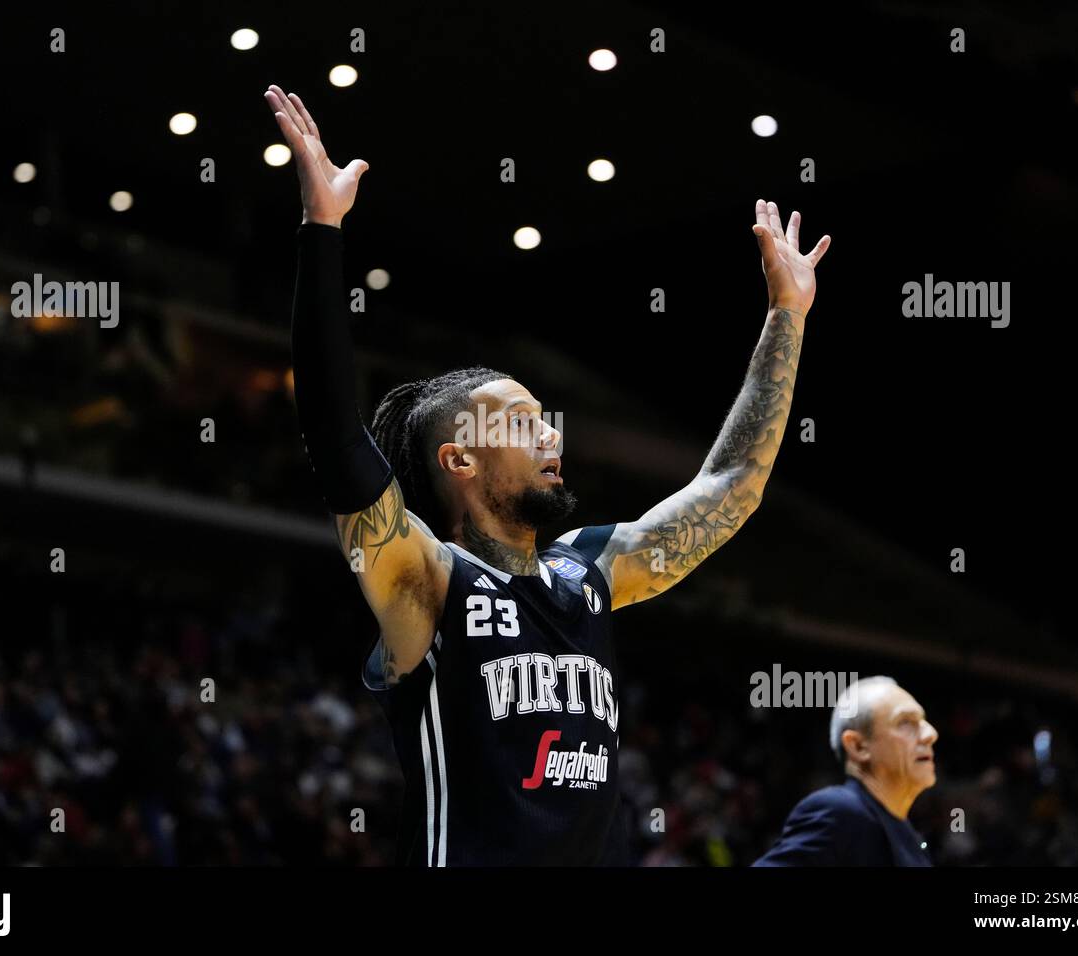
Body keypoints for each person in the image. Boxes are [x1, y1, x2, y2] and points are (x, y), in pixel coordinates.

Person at [266, 85, 831, 865]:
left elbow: (730, 485)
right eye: (522, 421)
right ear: (458, 458)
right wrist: (322, 229)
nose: (549, 434)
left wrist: (785, 319)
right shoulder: (425, 579)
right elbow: (335, 437)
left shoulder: (590, 573)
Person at [753, 676, 938, 866]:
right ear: (858, 746)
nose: (930, 734)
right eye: (905, 722)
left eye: (923, 722)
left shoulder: (910, 836)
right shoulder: (840, 811)